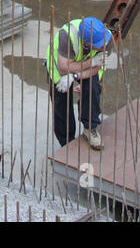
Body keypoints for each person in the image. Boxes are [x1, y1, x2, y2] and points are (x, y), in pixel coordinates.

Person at [46, 17, 115, 150]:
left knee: (92, 89)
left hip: (87, 68)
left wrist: (76, 75)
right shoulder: (67, 36)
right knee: (61, 103)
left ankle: (90, 127)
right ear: (87, 43)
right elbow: (64, 67)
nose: (102, 46)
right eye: (98, 45)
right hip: (59, 68)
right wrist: (90, 63)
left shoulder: (108, 39)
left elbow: (96, 69)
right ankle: (66, 142)